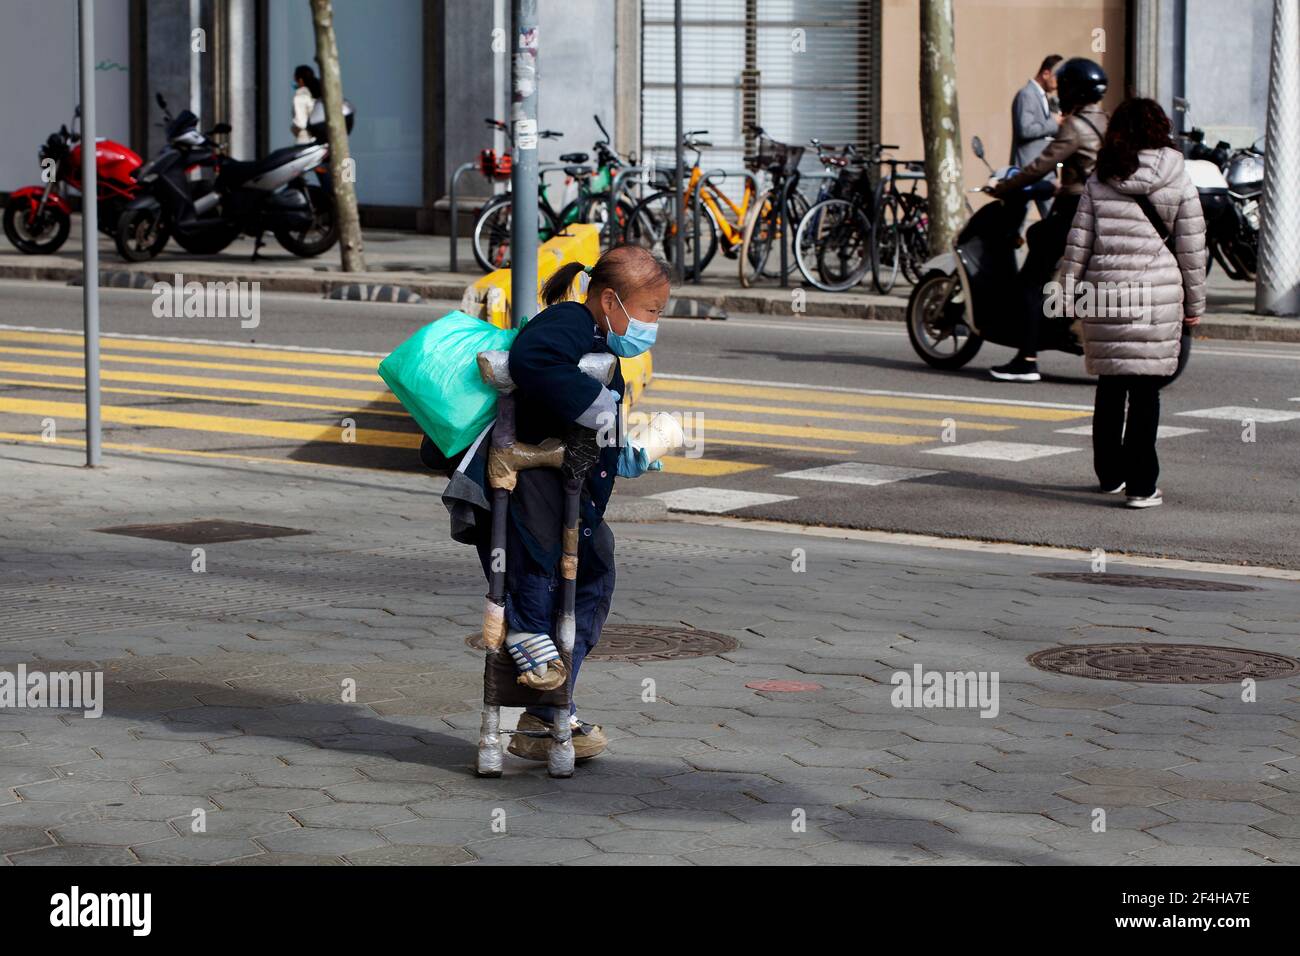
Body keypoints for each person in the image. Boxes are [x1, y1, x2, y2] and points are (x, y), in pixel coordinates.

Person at [442, 245, 671, 762]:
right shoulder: (568, 319)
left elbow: (588, 418)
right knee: (538, 571)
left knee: (592, 575)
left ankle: (547, 710)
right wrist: (598, 406)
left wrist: (626, 453)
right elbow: (532, 360)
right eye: (651, 312)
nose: (654, 324)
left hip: (564, 492)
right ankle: (528, 640)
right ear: (612, 301)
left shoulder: (594, 335)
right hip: (523, 488)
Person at [1059, 98, 1205, 509]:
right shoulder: (1178, 176)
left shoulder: (1100, 177)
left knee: (1109, 386)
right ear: (1161, 130)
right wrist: (1195, 304)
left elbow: (1078, 245)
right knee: (1145, 394)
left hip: (1106, 294)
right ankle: (1142, 486)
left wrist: (1067, 296)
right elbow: (1192, 250)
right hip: (1156, 297)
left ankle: (1109, 475)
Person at [989, 57, 1109, 383]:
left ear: (1073, 90)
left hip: (1072, 214)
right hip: (1104, 214)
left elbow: (1039, 165)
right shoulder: (1108, 124)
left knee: (1030, 280)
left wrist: (1003, 187)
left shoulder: (1074, 127)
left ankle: (1026, 359)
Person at [1010, 54, 1064, 218]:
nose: (1058, 84)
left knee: (1052, 220)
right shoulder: (1027, 94)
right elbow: (1025, 129)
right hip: (1028, 169)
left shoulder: (1044, 97)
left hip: (1043, 169)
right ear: (1046, 73)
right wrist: (1054, 123)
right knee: (1017, 223)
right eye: (1057, 77)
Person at [291, 65, 320, 144]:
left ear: (300, 80)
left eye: (295, 80)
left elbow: (300, 122)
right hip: (319, 140)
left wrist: (294, 129)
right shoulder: (316, 95)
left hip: (305, 139)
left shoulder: (300, 96)